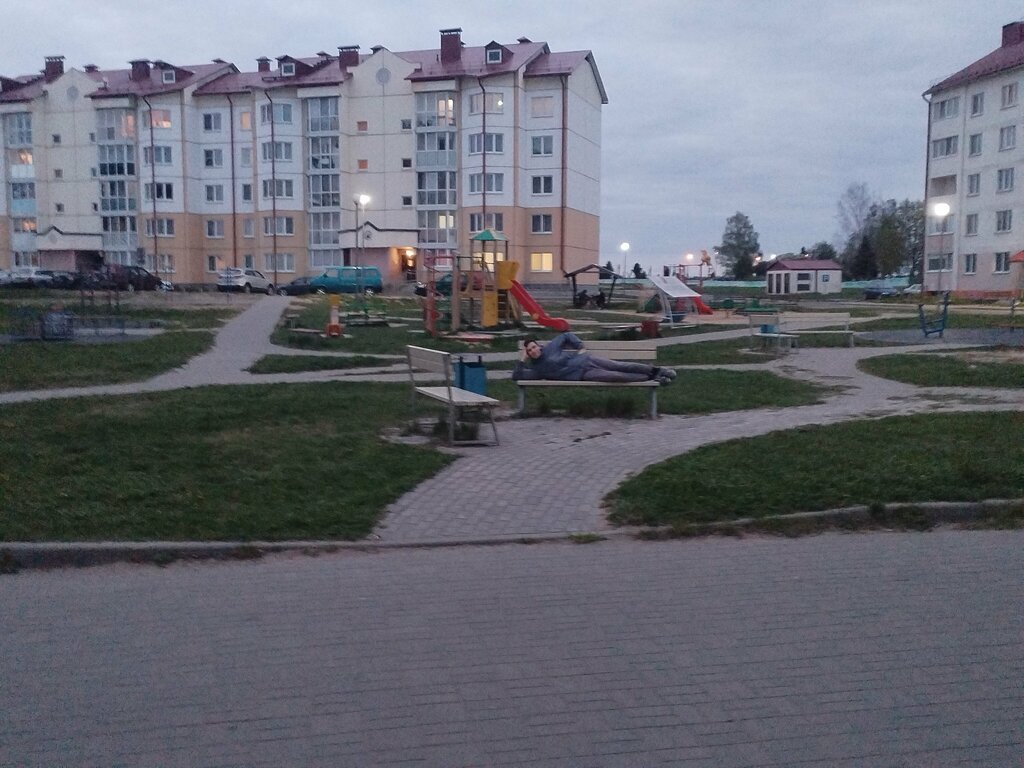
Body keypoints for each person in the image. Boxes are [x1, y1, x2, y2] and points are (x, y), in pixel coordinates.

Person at [512, 333, 677, 384]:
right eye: (529, 350)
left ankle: (657, 370)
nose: (533, 351)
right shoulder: (537, 370)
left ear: (538, 345)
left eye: (534, 347)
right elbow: (517, 377)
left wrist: (580, 346)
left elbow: (566, 335)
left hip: (586, 361)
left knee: (619, 366)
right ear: (528, 353)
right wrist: (521, 360)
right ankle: (650, 379)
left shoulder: (550, 347)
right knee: (614, 377)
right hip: (583, 375)